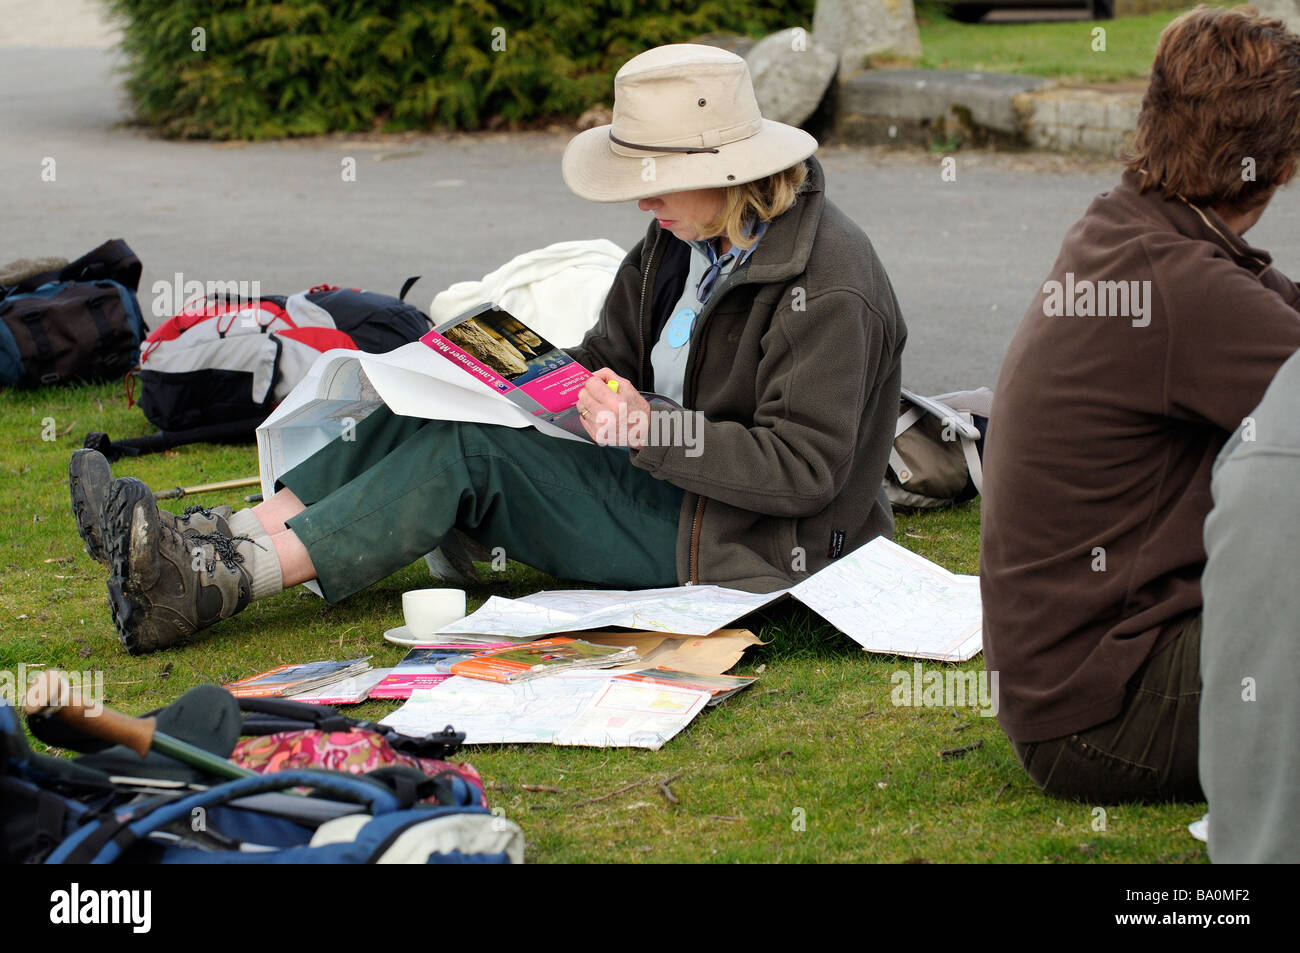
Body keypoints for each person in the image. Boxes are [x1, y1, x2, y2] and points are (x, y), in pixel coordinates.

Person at [72, 44, 907, 654]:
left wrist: (647, 430)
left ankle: (206, 585)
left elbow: (806, 471)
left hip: (741, 547)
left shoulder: (828, 283)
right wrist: (501, 370)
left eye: (656, 174)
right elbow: (603, 357)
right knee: (419, 411)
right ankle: (209, 544)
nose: (642, 196)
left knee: (468, 451)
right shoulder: (681, 236)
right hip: (668, 489)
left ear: (730, 169)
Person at [980, 5, 1300, 803]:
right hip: (1105, 715)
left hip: (1074, 679)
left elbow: (1271, 305)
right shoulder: (1180, 287)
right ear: (1282, 160)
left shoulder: (1130, 223)